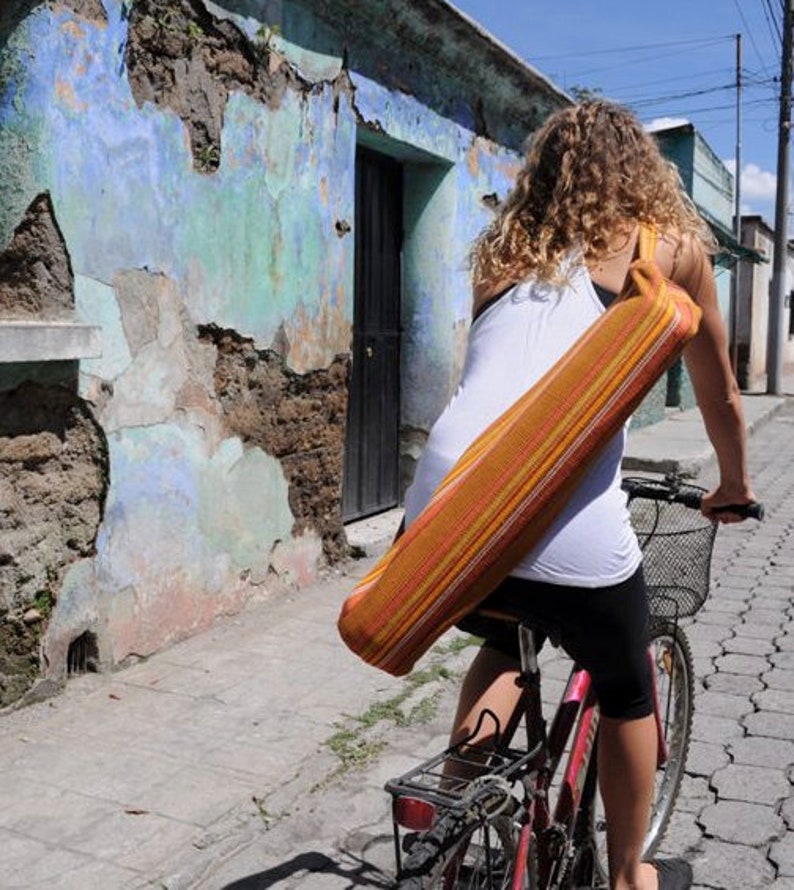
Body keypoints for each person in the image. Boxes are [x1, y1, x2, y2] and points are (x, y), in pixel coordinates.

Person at [401, 100, 756, 890]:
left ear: (543, 173)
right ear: (641, 171)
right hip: (562, 521)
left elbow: (498, 385)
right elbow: (721, 396)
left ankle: (451, 812)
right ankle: (630, 874)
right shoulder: (675, 248)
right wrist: (734, 483)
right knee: (628, 685)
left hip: (450, 515)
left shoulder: (503, 253)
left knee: (505, 640)